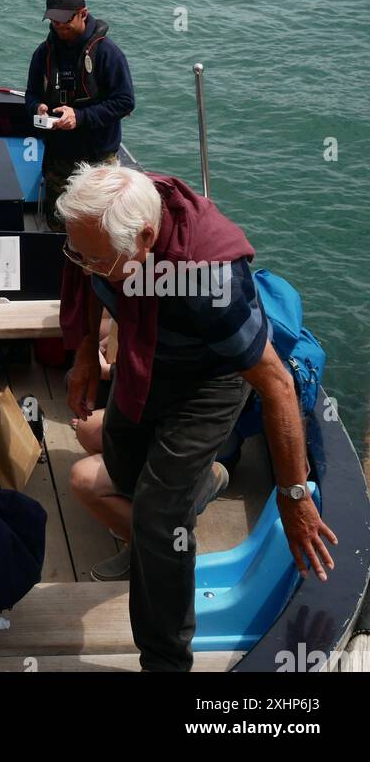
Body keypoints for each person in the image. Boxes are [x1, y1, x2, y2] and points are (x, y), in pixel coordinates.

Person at [59, 162, 337, 672]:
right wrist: (82, 356)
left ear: (145, 240)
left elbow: (275, 384)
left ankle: (164, 661)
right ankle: (202, 480)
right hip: (144, 357)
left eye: (95, 258)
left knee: (159, 517)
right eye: (77, 250)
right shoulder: (101, 236)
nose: (83, 263)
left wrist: (293, 494)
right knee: (124, 470)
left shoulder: (209, 279)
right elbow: (83, 277)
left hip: (208, 381)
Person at [25, 0, 135, 231]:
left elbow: (125, 101)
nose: (59, 26)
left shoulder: (108, 53)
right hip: (57, 160)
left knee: (100, 228)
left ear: (83, 13)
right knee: (59, 226)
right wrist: (37, 108)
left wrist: (81, 117)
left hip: (98, 160)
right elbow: (31, 95)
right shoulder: (43, 54)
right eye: (54, 20)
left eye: (65, 20)